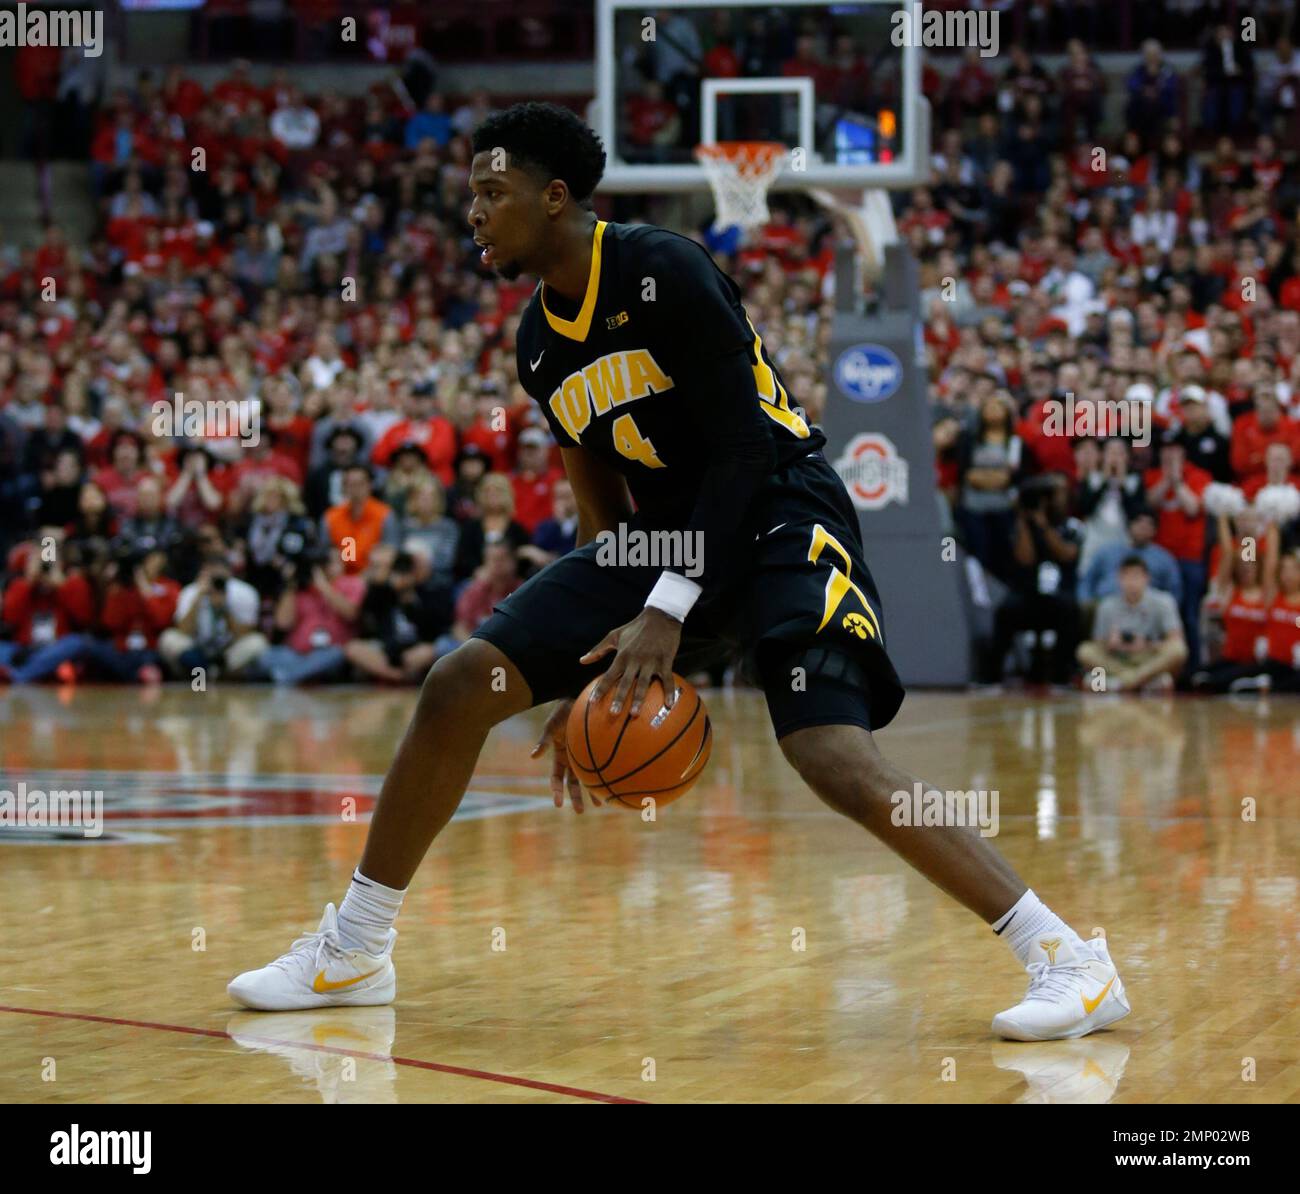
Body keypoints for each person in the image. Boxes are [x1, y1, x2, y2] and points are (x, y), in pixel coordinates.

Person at [229, 102, 1130, 1043]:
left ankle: (1070, 959)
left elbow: (744, 446)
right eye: (471, 195)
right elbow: (600, 517)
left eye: (492, 192)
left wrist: (667, 607)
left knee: (828, 752)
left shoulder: (664, 269)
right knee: (460, 684)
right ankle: (355, 949)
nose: (475, 212)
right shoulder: (538, 343)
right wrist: (579, 675)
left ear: (555, 195)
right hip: (662, 542)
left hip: (779, 510)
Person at [1077, 557, 1188, 692]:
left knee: (1178, 649)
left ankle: (1118, 683)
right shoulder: (1107, 605)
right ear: (1119, 579)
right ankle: (1141, 682)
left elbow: (1176, 639)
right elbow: (1098, 643)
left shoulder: (1164, 602)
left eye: (1136, 576)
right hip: (1118, 659)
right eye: (1127, 577)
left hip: (1148, 658)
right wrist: (1111, 643)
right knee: (1085, 650)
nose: (1131, 582)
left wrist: (1147, 644)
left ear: (1147, 578)